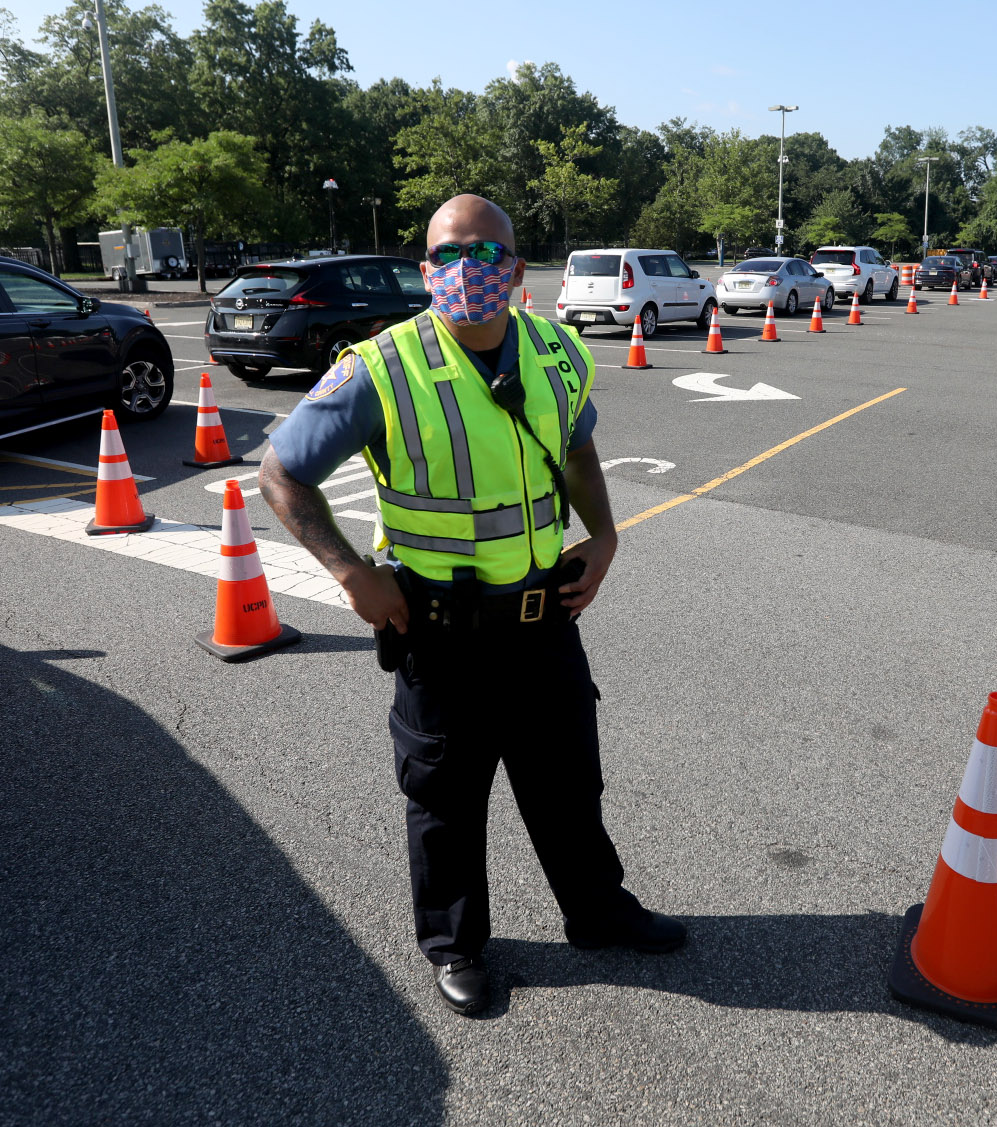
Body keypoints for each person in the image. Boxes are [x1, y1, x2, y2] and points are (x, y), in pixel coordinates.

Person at [259, 194, 684, 1017]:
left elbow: (578, 446)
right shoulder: (382, 368)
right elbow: (282, 474)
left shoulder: (557, 349)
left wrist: (604, 536)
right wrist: (350, 573)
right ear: (425, 271)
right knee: (445, 805)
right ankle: (455, 943)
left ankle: (597, 911)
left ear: (517, 270)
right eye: (447, 255)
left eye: (485, 255)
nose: (466, 270)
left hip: (544, 620)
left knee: (569, 783)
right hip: (440, 635)